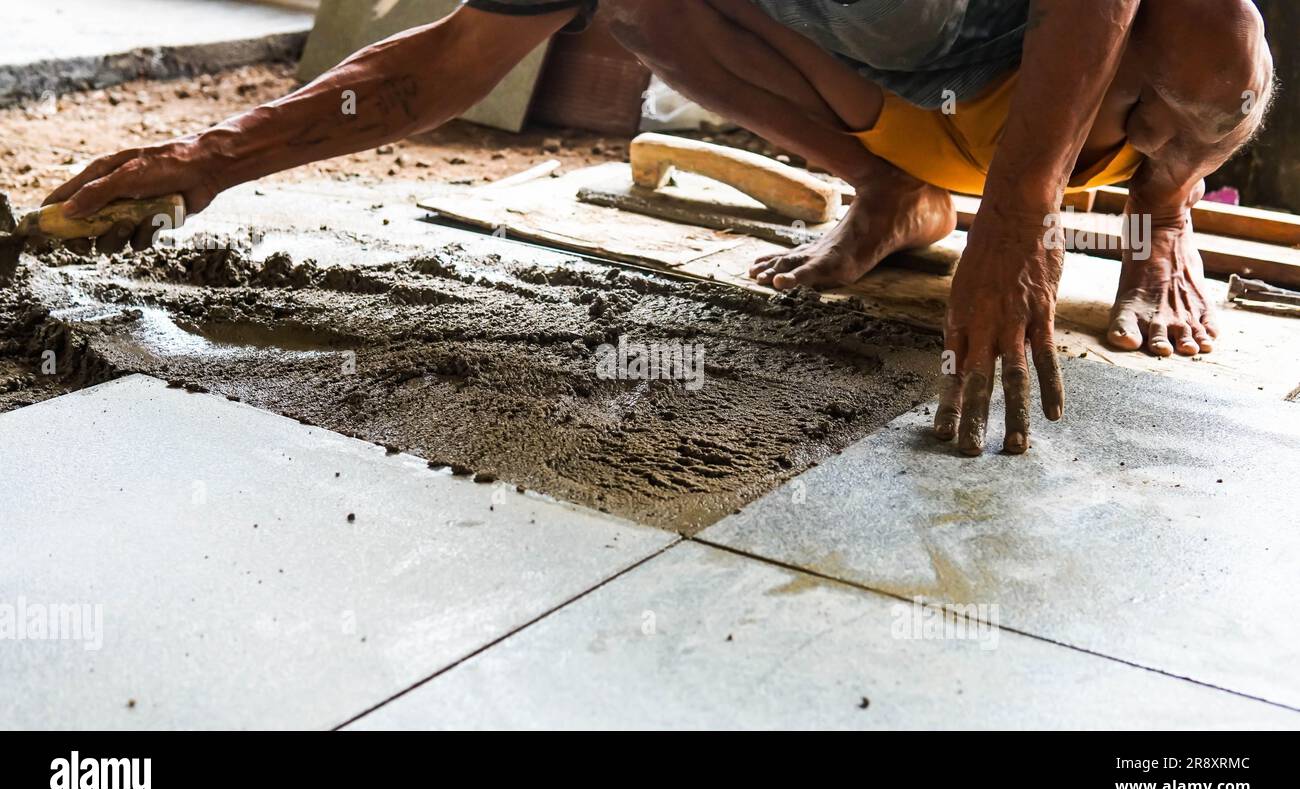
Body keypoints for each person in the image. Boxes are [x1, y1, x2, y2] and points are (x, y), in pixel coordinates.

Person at [44, 0, 1274, 456]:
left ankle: (1169, 223)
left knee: (1214, 35)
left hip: (1066, 83)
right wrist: (205, 161)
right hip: (900, 114)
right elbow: (439, 72)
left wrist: (1023, 215)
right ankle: (892, 193)